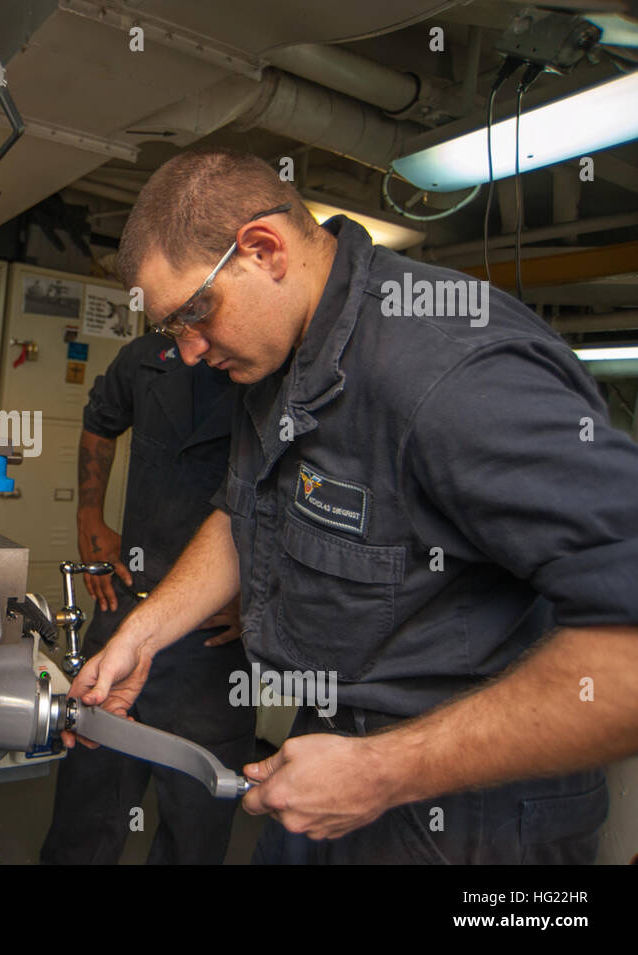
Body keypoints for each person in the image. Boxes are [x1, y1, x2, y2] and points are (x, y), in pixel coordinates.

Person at [66, 147, 638, 864]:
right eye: (169, 328)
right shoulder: (277, 359)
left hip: (468, 816)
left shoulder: (450, 374)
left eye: (194, 314)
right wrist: (143, 633)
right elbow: (245, 511)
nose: (186, 352)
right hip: (330, 759)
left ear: (263, 250)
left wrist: (382, 769)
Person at [40, 329, 254, 864]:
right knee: (87, 802)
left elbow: (303, 495)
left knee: (196, 818)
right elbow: (100, 420)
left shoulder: (275, 370)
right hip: (126, 605)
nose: (188, 344)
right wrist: (89, 515)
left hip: (212, 642)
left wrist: (259, 597)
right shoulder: (147, 357)